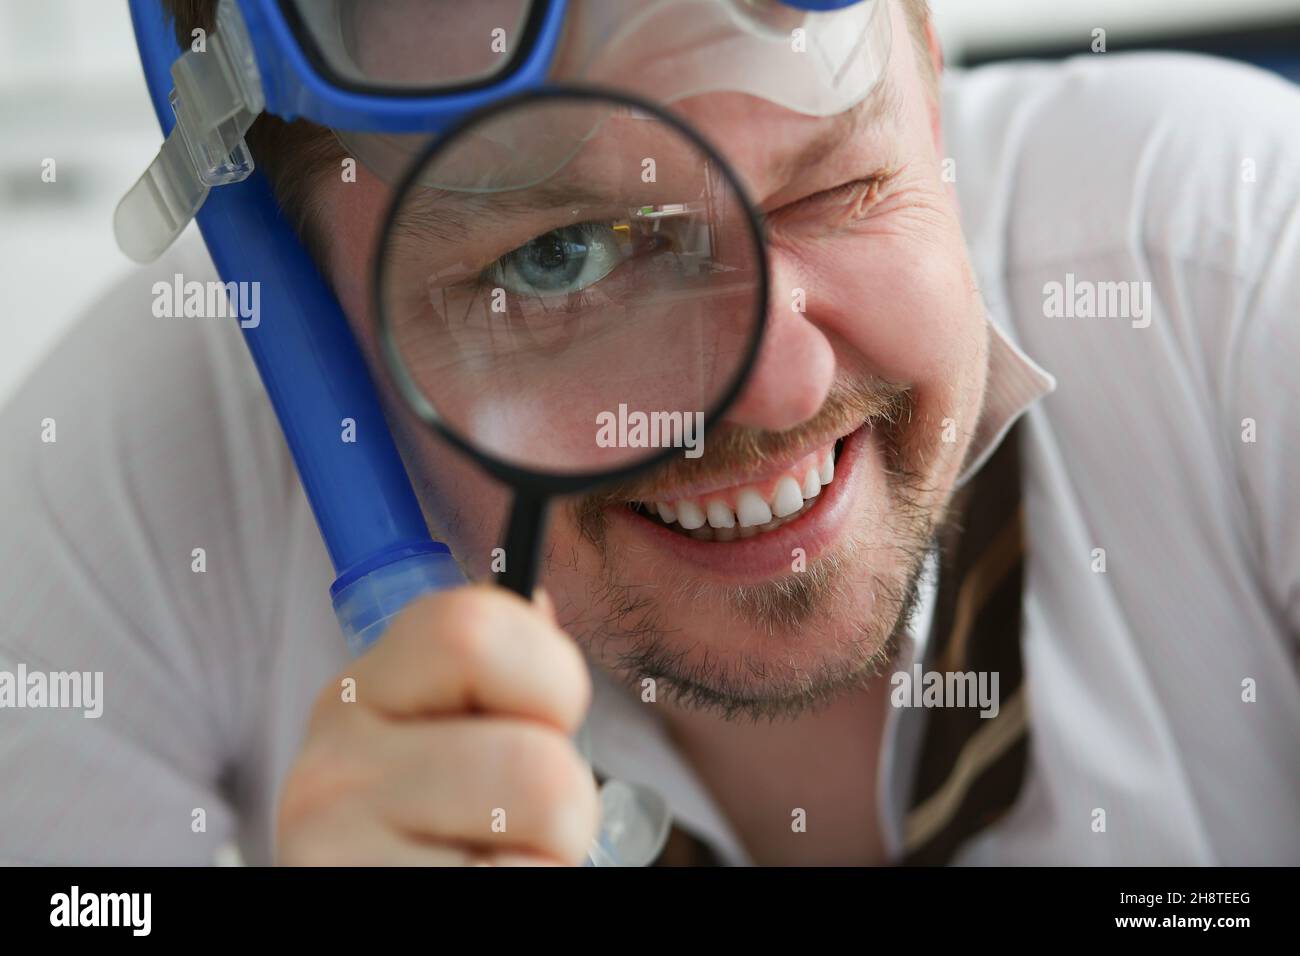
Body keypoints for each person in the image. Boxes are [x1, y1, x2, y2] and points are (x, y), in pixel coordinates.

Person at [1, 0, 1296, 866]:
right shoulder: (94, 527)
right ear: (298, 301)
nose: (779, 387)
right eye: (560, 261)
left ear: (930, 70)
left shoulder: (1239, 263)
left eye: (839, 183)